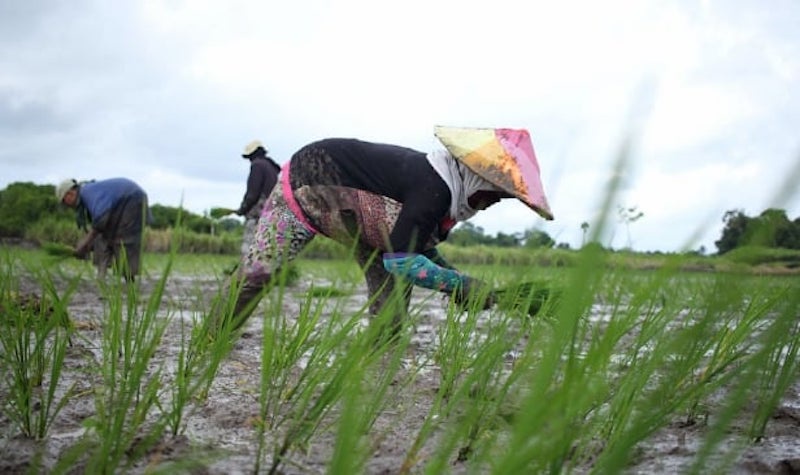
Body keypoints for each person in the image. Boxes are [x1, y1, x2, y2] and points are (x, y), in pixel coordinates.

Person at [218, 131, 552, 336]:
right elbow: (404, 261)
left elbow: (414, 246)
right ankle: (214, 337)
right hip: (306, 186)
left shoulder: (442, 191)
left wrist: (462, 284)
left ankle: (380, 364)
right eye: (493, 194)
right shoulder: (434, 187)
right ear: (477, 178)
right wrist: (459, 285)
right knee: (261, 272)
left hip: (361, 222)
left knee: (391, 302)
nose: (490, 203)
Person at [56, 177, 150, 281]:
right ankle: (101, 277)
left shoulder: (87, 193)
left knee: (123, 240)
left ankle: (129, 281)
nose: (67, 206)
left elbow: (101, 219)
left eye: (65, 202)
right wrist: (87, 245)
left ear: (70, 194)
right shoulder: (86, 194)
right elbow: (98, 226)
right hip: (122, 202)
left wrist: (84, 244)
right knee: (102, 238)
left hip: (131, 199)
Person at [235, 140, 281, 256]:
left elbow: (252, 194)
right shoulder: (272, 168)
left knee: (250, 245)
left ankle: (246, 271)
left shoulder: (257, 166)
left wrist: (243, 209)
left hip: (258, 214)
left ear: (253, 154)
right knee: (267, 247)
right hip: (273, 213)